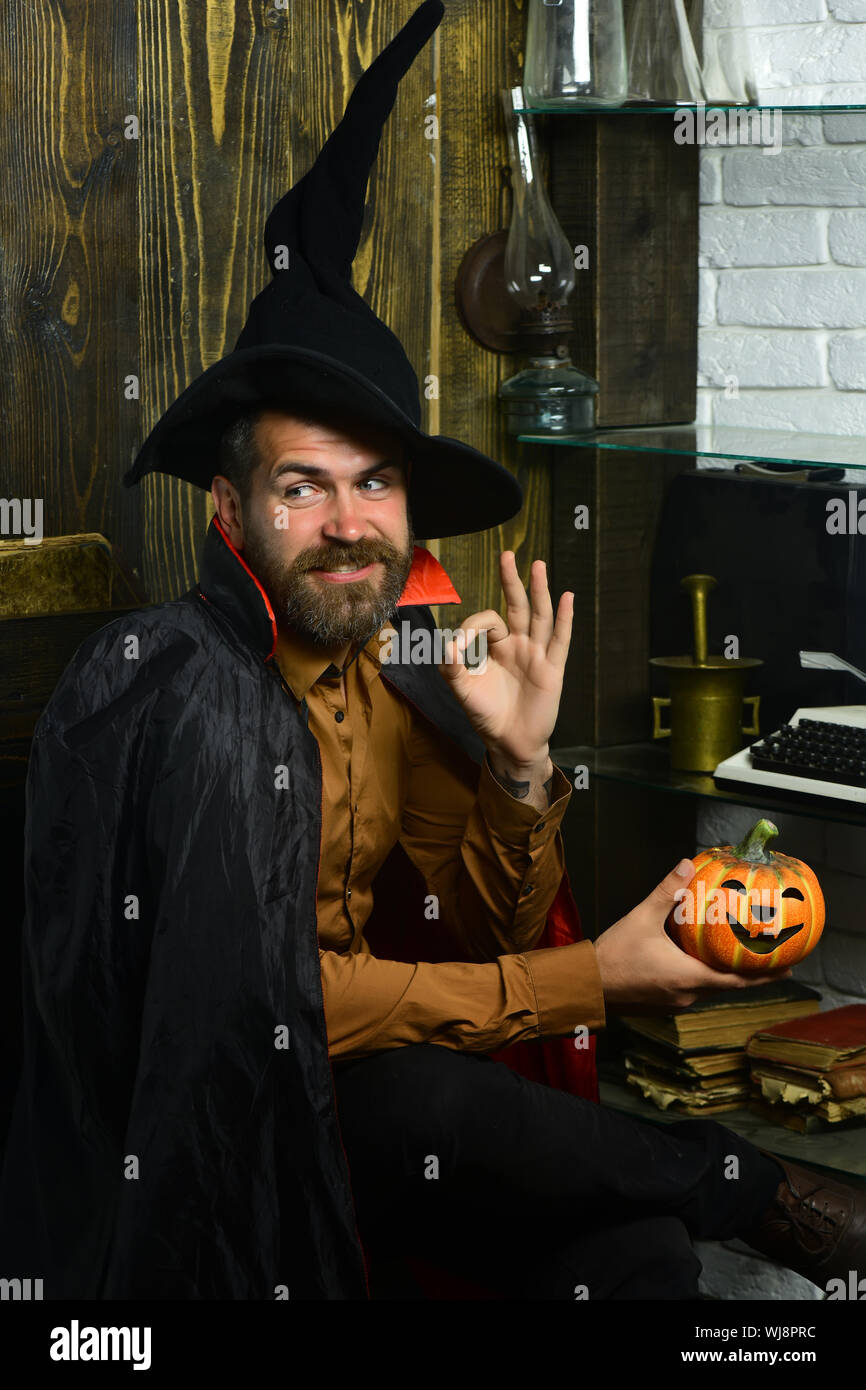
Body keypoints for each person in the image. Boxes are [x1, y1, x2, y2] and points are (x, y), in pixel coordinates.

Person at [2, 0, 863, 1300]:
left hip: (378, 1119)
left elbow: (473, 937)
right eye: (303, 487)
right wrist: (588, 976)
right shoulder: (186, 692)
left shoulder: (385, 669)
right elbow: (271, 1010)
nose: (349, 524)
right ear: (228, 512)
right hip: (213, 1146)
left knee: (631, 1258)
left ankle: (715, 1200)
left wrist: (516, 771)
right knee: (422, 1091)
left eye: (376, 483)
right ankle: (749, 1186)